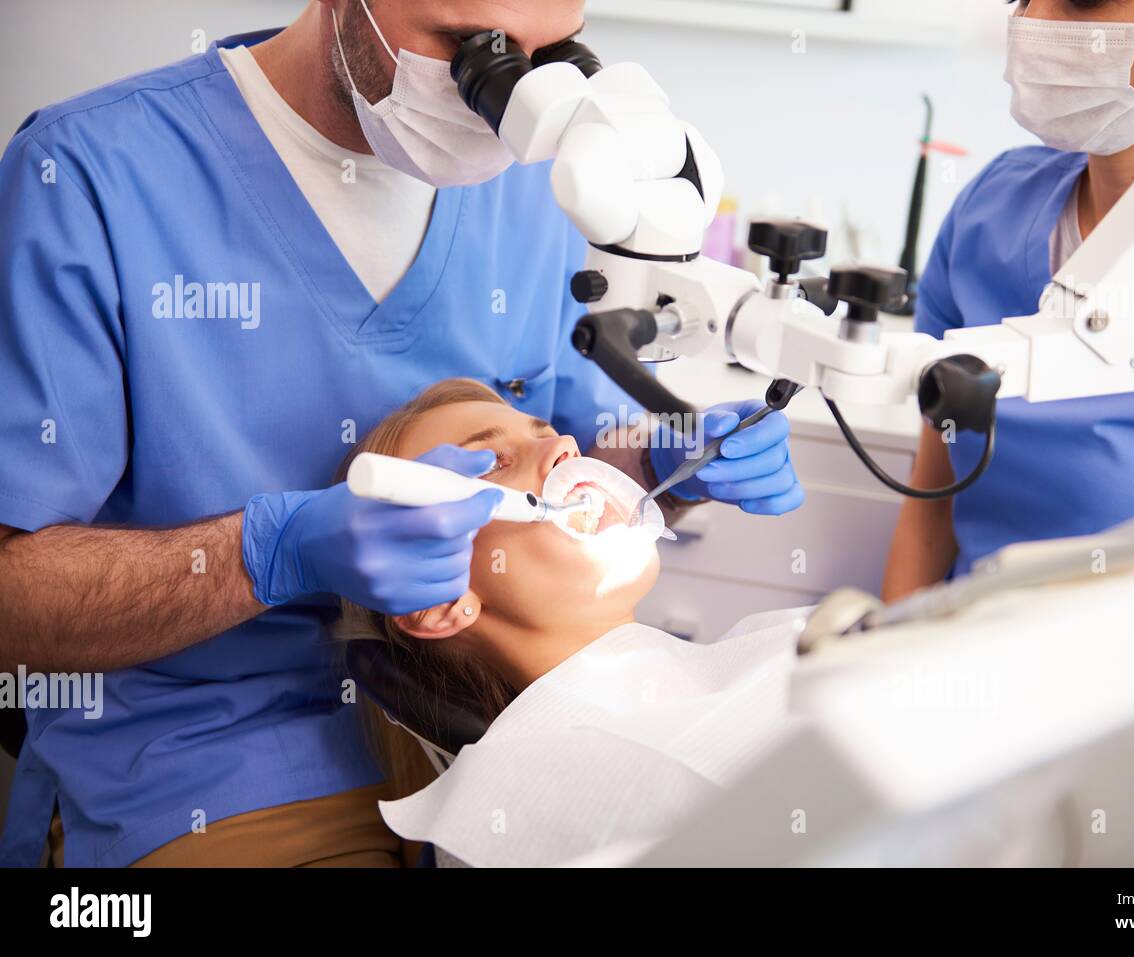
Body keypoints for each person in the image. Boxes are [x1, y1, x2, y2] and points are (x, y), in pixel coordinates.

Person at [0, 0, 803, 868]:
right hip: (211, 771)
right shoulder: (92, 175)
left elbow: (557, 445)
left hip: (493, 740)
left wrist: (655, 461)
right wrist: (268, 554)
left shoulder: (529, 183)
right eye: (474, 51)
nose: (513, 101)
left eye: (548, 56)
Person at [883, 0, 1134, 601]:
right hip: (957, 665)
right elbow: (931, 509)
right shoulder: (990, 210)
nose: (1037, 23)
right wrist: (888, 662)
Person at [331, 379, 805, 867]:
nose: (565, 446)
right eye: (493, 461)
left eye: (548, 433)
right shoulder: (518, 823)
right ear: (437, 604)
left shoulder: (784, 651)